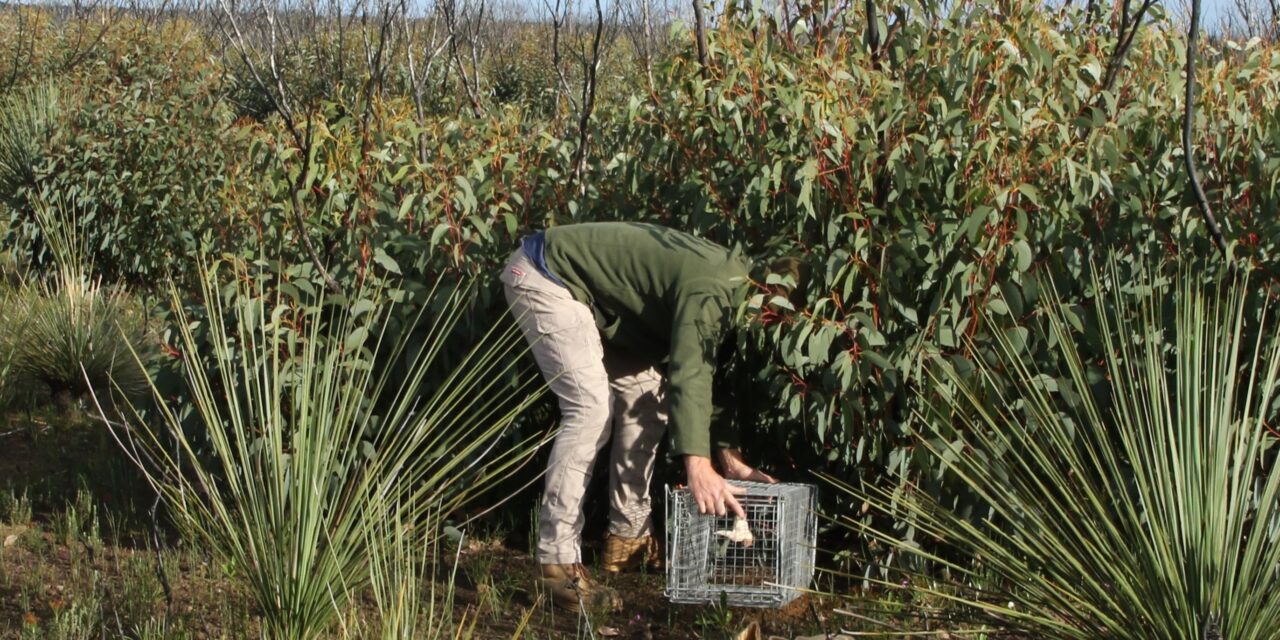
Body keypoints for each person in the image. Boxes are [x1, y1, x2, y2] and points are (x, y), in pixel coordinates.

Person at [500, 222, 797, 612]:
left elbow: (708, 377)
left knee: (645, 396)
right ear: (769, 295)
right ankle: (556, 567)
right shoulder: (714, 291)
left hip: (589, 297)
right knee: (589, 409)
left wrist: (732, 463)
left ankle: (628, 538)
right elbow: (689, 374)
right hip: (547, 273)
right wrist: (698, 466)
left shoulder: (734, 292)